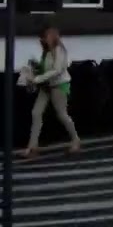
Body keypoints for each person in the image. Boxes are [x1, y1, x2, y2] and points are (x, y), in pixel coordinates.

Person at [19, 24, 81, 157]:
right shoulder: (46, 52)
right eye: (41, 38)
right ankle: (32, 147)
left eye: (44, 37)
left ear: (51, 36)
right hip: (46, 86)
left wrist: (37, 79)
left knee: (62, 114)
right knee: (36, 112)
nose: (42, 40)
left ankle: (76, 139)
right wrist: (33, 69)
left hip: (59, 85)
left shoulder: (59, 50)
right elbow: (46, 69)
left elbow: (57, 70)